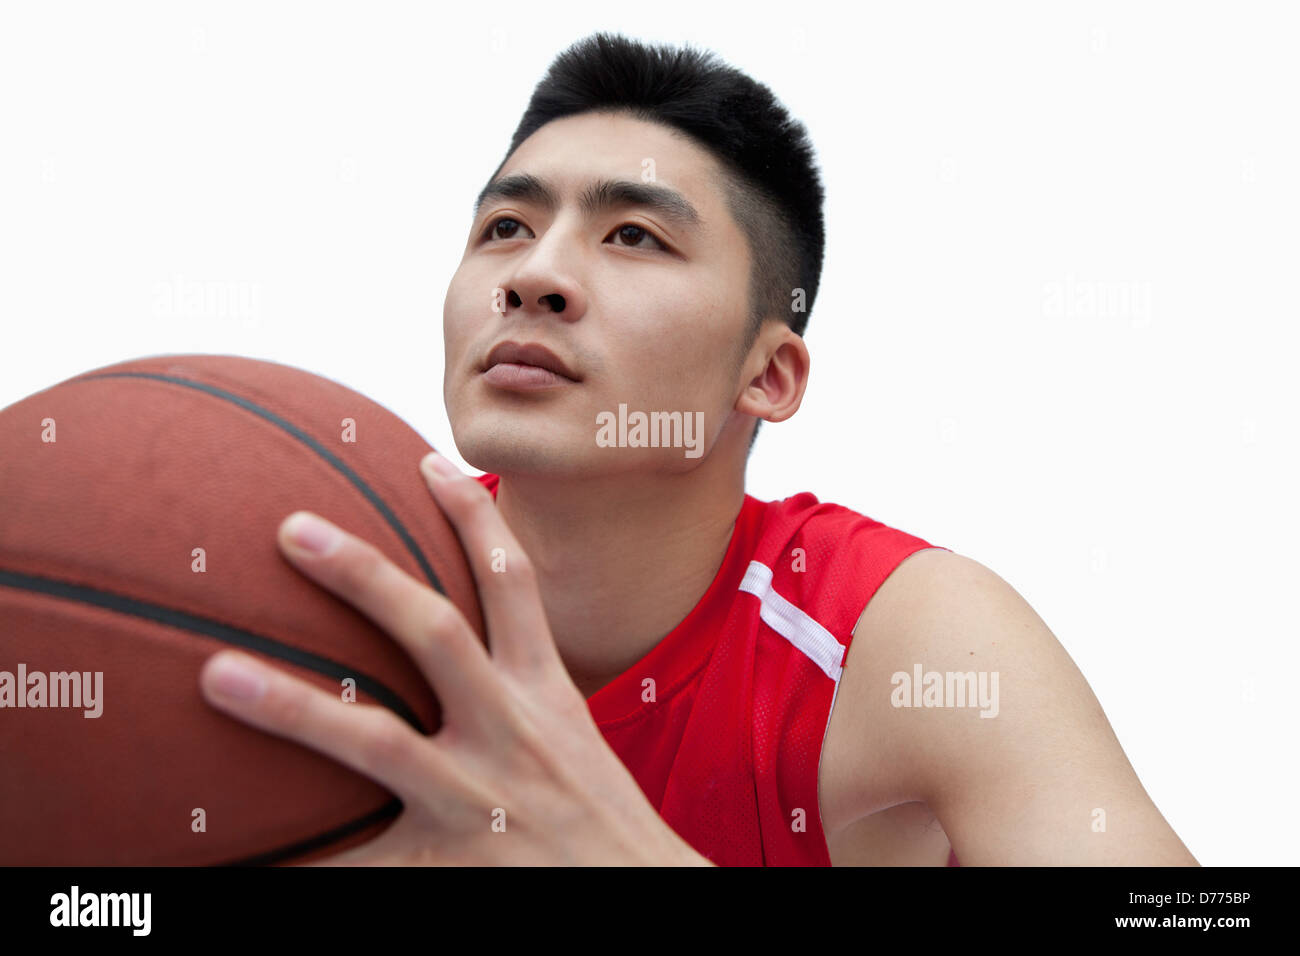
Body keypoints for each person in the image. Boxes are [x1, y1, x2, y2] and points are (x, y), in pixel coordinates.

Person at [203, 31, 1199, 866]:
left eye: (633, 236)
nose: (534, 275)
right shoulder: (341, 606)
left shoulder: (891, 635)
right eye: (506, 225)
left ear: (765, 375)